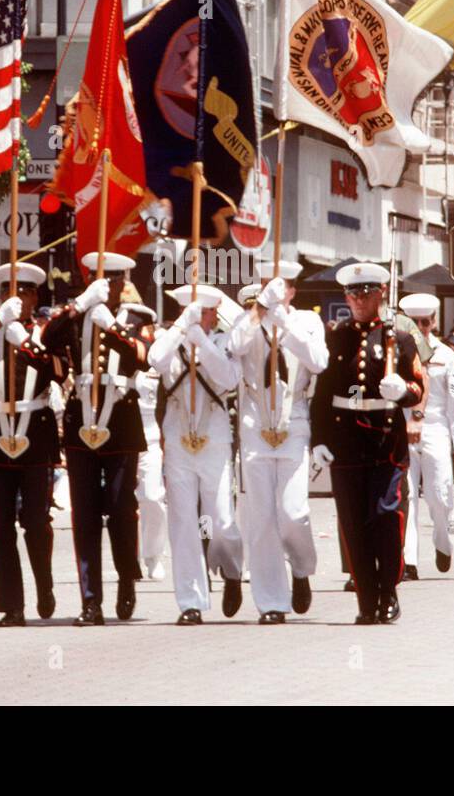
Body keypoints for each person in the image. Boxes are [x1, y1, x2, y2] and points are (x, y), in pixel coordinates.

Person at [310, 262, 428, 624]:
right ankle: (366, 597)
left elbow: (420, 387)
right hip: (347, 443)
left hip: (385, 444)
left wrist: (404, 392)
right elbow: (322, 395)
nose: (359, 300)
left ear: (380, 294)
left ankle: (388, 588)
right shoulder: (336, 337)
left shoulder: (399, 338)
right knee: (352, 522)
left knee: (386, 516)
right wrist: (319, 440)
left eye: (366, 293)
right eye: (353, 293)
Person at [39, 252, 150, 626]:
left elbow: (141, 358)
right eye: (105, 280)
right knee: (84, 515)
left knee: (120, 508)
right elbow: (46, 339)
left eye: (117, 280)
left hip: (120, 421)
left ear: (125, 283)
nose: (112, 286)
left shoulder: (138, 318)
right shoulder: (79, 315)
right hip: (80, 421)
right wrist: (78, 307)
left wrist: (112, 326)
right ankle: (91, 600)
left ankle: (125, 579)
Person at [228, 260, 328, 624]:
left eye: (280, 285)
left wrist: (282, 318)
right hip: (255, 421)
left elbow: (318, 361)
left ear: (292, 291)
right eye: (268, 283)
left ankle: (301, 568)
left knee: (292, 513)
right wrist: (258, 310)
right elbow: (235, 346)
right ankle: (272, 601)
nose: (273, 289)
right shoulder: (248, 319)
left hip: (293, 420)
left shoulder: (306, 321)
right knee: (262, 518)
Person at [0, 262, 58, 627]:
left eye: (24, 292)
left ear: (35, 297)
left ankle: (45, 584)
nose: (16, 298)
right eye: (8, 291)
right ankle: (12, 605)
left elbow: (57, 370)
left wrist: (26, 340)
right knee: (1, 524)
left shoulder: (45, 332)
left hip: (34, 431)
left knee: (35, 521)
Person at [149, 284, 244, 625]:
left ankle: (232, 571)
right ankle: (191, 601)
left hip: (214, 440)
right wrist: (179, 330)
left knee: (220, 519)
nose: (204, 317)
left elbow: (229, 379)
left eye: (205, 313)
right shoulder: (170, 342)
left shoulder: (221, 342)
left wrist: (201, 340)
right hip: (178, 440)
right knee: (184, 523)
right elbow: (154, 360)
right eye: (197, 312)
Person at [398, 293, 454, 578]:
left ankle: (442, 540)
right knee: (405, 494)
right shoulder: (395, 353)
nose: (420, 328)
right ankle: (409, 559)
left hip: (436, 428)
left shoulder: (446, 355)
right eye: (413, 323)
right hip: (402, 426)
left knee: (439, 492)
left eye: (425, 322)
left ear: (434, 322)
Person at [123, 302, 168, 582]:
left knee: (152, 497)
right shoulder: (121, 355)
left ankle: (153, 555)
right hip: (124, 434)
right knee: (124, 503)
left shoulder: (157, 358)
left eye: (138, 329)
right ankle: (130, 559)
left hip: (151, 436)